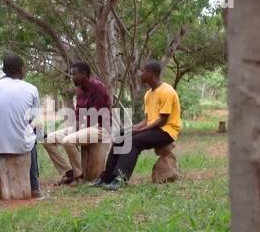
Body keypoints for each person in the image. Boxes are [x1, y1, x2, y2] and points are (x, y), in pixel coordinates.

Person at [93, 59, 181, 191]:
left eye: (142, 71)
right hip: (154, 128)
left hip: (166, 131)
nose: (140, 74)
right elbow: (148, 119)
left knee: (132, 141)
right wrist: (133, 128)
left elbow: (162, 120)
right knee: (120, 136)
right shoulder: (148, 94)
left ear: (150, 73)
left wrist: (140, 131)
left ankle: (120, 179)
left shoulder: (167, 91)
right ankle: (107, 177)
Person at [0, 53, 43, 198]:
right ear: (21, 69)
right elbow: (33, 119)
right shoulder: (31, 88)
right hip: (22, 143)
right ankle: (34, 186)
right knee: (31, 137)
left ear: (4, 70)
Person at [42, 61, 112, 185]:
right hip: (85, 127)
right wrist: (75, 128)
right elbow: (79, 114)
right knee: (47, 140)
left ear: (84, 74)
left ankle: (79, 176)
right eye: (71, 74)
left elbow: (94, 116)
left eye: (74, 74)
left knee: (68, 141)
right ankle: (68, 173)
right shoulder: (80, 90)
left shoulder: (98, 87)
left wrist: (78, 130)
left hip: (100, 128)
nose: (71, 77)